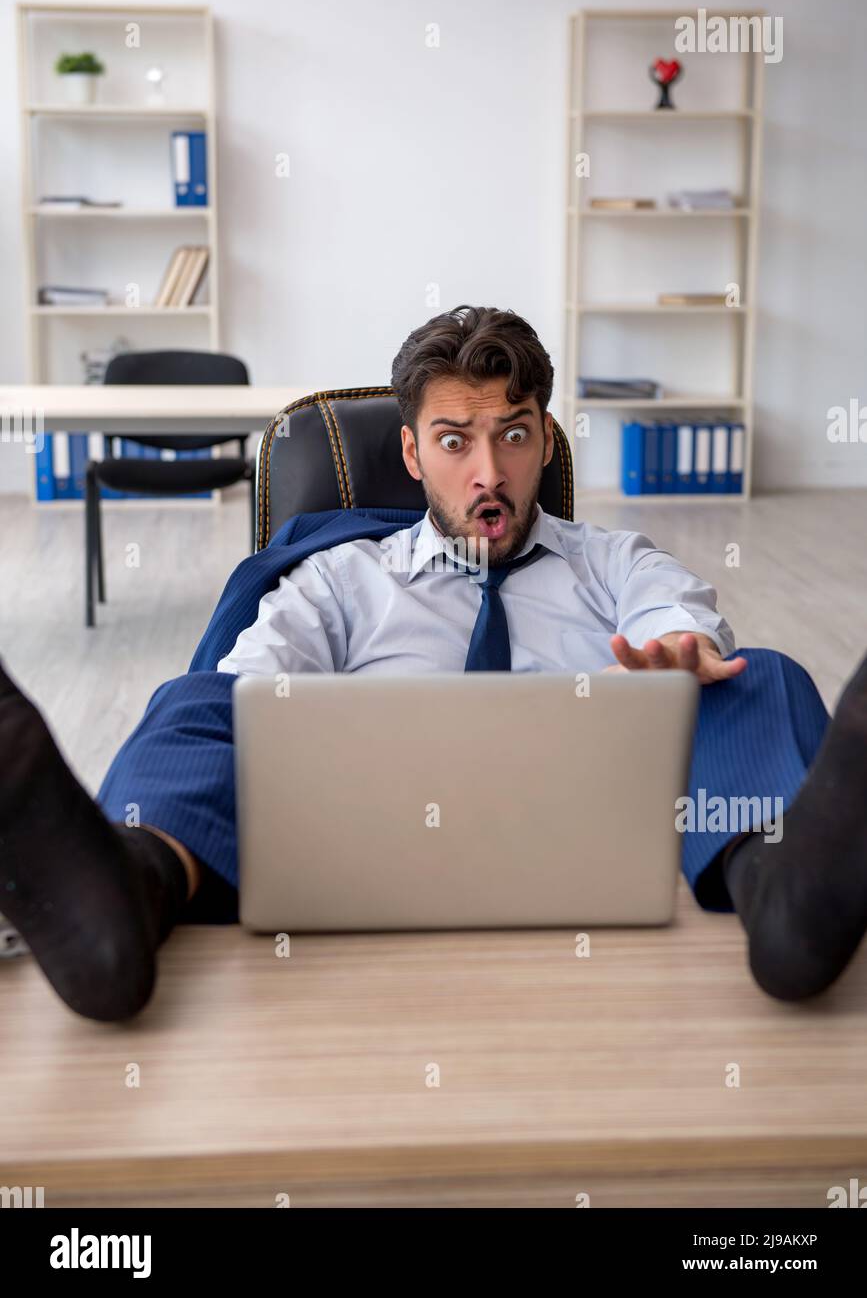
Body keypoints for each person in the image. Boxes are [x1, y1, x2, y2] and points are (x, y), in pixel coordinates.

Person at [1, 306, 865, 1023]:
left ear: (546, 445)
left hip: (599, 817)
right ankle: (129, 894)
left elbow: (673, 607)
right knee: (201, 702)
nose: (488, 472)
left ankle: (782, 899)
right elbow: (256, 673)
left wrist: (680, 647)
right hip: (373, 839)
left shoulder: (609, 561)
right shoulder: (342, 577)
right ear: (413, 455)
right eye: (454, 442)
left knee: (753, 672)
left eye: (513, 435)